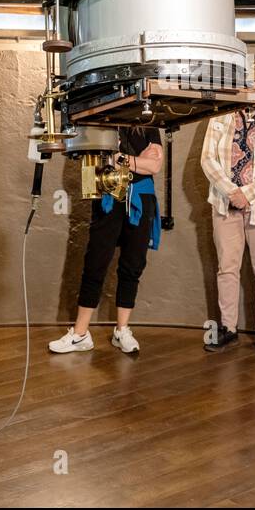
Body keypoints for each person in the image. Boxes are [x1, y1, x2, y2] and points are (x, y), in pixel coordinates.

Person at [49, 126, 163, 355]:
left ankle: (122, 330)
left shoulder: (148, 122)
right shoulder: (101, 120)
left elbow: (155, 166)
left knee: (133, 265)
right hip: (107, 194)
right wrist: (138, 160)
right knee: (95, 264)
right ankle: (80, 334)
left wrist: (119, 157)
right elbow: (95, 160)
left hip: (141, 197)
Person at [200, 95, 255, 357]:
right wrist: (231, 192)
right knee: (226, 268)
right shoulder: (219, 115)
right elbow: (207, 159)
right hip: (224, 203)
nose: (251, 88)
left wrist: (248, 194)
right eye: (247, 82)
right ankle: (228, 328)